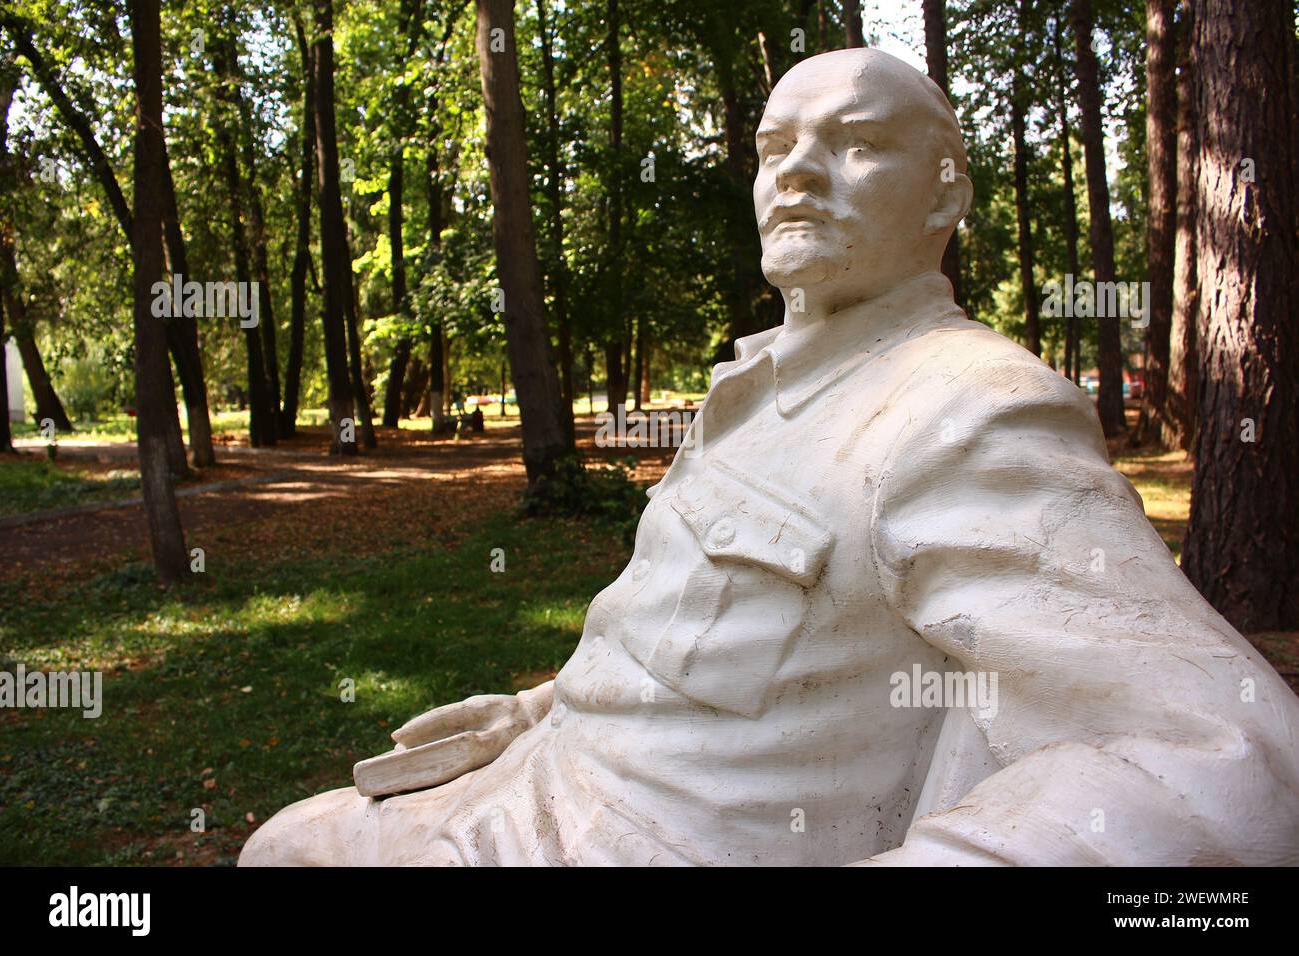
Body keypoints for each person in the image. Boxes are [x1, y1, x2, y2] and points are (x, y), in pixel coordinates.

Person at [240, 49, 1299, 866]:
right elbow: (690, 636)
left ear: (943, 195)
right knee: (290, 834)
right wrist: (536, 707)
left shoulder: (966, 410)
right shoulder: (755, 384)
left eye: (853, 143)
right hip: (539, 774)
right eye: (771, 146)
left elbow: (1231, 763)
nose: (795, 172)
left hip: (636, 841)